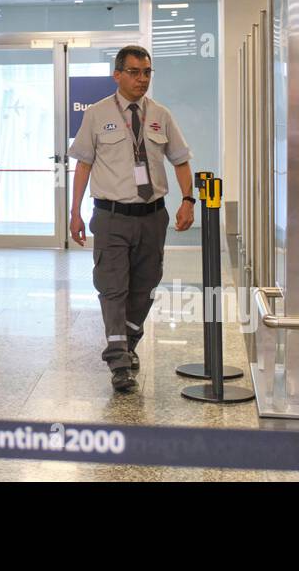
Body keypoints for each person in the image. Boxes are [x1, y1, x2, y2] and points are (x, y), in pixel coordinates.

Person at [68, 44, 195, 394]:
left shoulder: (161, 114)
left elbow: (180, 160)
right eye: (135, 72)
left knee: (146, 286)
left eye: (147, 73)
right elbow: (83, 164)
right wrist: (74, 210)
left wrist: (188, 199)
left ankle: (126, 340)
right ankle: (119, 361)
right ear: (117, 75)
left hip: (152, 216)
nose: (142, 79)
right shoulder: (96, 114)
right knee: (113, 287)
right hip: (111, 216)